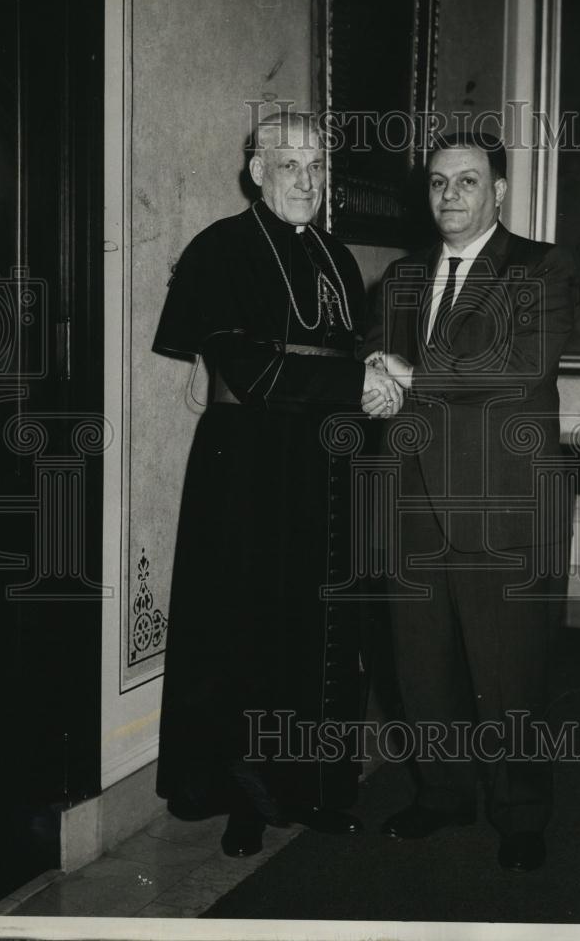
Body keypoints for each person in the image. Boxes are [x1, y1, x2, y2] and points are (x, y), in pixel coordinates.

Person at [152, 110, 401, 858]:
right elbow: (250, 370)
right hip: (249, 469)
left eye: (316, 166)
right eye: (287, 164)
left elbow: (351, 356)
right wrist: (360, 378)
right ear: (255, 171)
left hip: (323, 466)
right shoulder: (219, 250)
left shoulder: (336, 254)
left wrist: (381, 384)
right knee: (249, 630)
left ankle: (316, 789)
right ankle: (246, 801)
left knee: (320, 628)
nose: (304, 179)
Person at [362, 131, 575, 872]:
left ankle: (520, 814)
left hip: (503, 502)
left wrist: (409, 376)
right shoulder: (397, 279)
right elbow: (374, 362)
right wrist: (373, 377)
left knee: (510, 671)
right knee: (420, 668)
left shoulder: (539, 267)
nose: (449, 196)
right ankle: (441, 794)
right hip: (409, 501)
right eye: (436, 182)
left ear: (499, 191)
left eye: (466, 181)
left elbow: (520, 368)